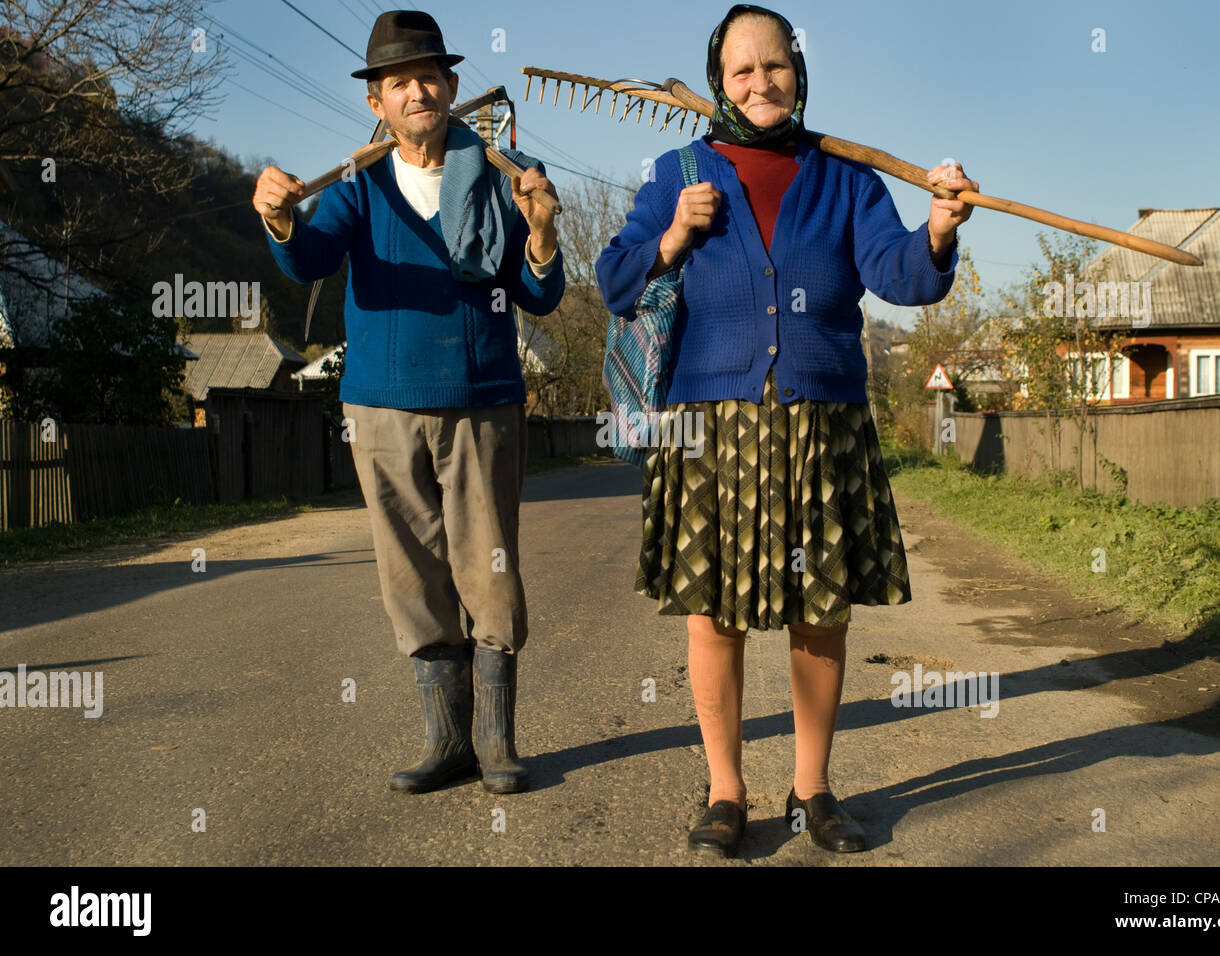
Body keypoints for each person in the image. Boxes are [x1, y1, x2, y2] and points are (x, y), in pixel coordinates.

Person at [595, 3, 976, 857]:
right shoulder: (676, 171)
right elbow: (616, 282)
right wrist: (672, 236)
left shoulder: (846, 176)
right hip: (710, 426)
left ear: (798, 75)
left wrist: (941, 228)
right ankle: (725, 792)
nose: (761, 82)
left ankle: (812, 791)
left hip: (822, 423)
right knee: (713, 615)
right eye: (742, 70)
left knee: (822, 613)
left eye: (776, 66)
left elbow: (899, 274)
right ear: (719, 82)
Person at [252, 10, 564, 796]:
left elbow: (538, 294)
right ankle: (446, 743)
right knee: (412, 576)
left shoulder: (500, 173)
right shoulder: (360, 186)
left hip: (481, 400)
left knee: (488, 574)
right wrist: (279, 216)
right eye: (399, 83)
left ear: (452, 88)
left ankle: (496, 746)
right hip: (382, 411)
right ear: (376, 104)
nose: (417, 91)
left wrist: (542, 234)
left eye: (428, 77)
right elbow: (310, 258)